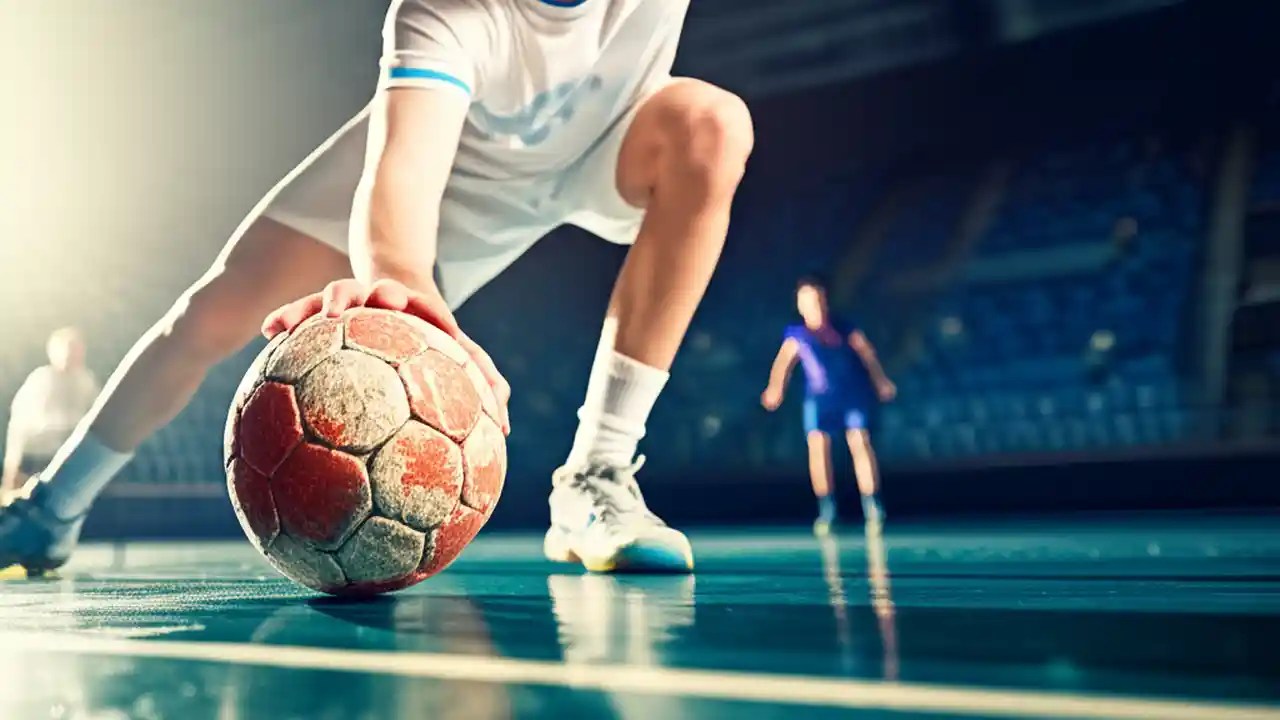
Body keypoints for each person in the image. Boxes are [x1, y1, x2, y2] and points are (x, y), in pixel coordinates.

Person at [0, 0, 753, 575]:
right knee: (206, 318)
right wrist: (398, 288)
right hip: (442, 170)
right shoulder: (447, 13)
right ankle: (53, 507)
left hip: (600, 153)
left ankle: (598, 476)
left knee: (715, 125)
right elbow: (400, 186)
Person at [761, 276, 895, 535]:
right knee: (818, 447)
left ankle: (872, 505)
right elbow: (783, 364)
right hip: (819, 400)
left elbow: (867, 354)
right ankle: (827, 509)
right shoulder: (797, 335)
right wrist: (775, 388)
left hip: (851, 395)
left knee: (859, 442)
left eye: (818, 299)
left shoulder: (845, 328)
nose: (815, 306)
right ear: (800, 305)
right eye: (809, 300)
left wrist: (880, 380)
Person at [2, 329, 98, 501]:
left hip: (69, 458)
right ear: (54, 352)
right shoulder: (40, 380)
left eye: (76, 349)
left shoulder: (86, 381)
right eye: (68, 349)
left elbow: (96, 419)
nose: (72, 355)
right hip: (36, 458)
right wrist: (12, 469)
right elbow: (19, 427)